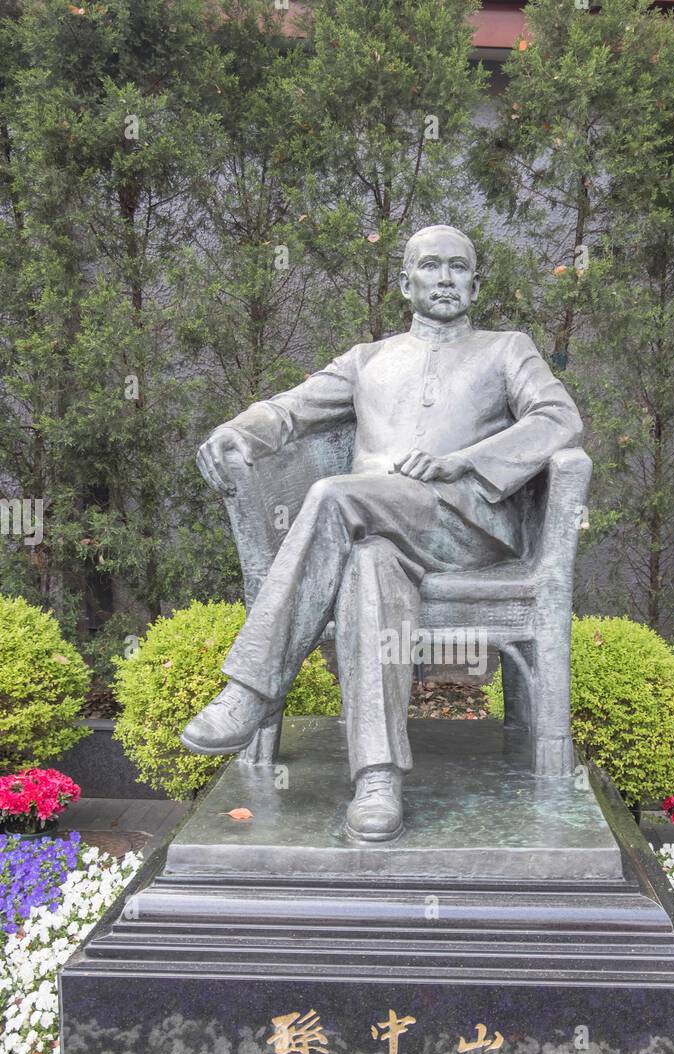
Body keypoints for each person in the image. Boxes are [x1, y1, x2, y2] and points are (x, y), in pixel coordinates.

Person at [181, 224, 582, 841]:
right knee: (370, 566)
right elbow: (289, 410)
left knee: (334, 495)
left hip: (463, 526)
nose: (444, 278)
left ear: (475, 284)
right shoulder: (368, 360)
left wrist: (466, 460)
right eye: (430, 266)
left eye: (457, 267)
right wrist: (238, 431)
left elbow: (559, 418)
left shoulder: (507, 349)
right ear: (405, 282)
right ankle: (377, 778)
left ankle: (251, 689)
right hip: (374, 530)